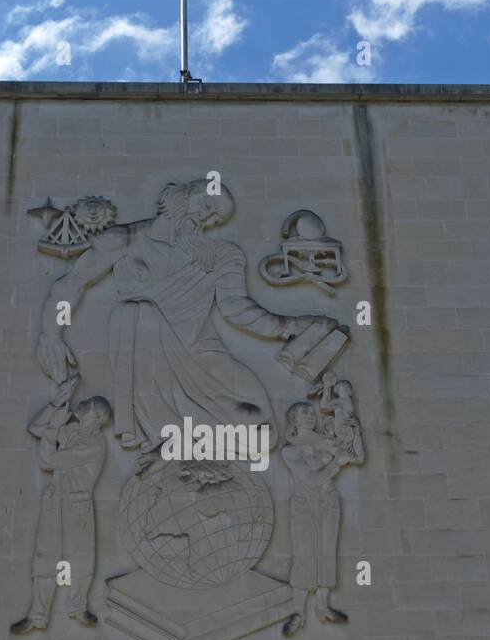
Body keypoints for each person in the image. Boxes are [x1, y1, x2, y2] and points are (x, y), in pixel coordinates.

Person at [35, 178, 337, 451]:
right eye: (205, 205)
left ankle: (195, 446)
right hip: (145, 350)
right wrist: (51, 334)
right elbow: (72, 283)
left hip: (200, 348)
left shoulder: (222, 255)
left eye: (214, 216)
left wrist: (295, 325)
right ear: (181, 197)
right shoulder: (124, 240)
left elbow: (238, 309)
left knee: (259, 427)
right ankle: (163, 439)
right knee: (135, 312)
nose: (205, 217)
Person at [10, 379, 111, 634]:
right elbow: (36, 428)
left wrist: (49, 434)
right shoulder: (69, 432)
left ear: (96, 416)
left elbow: (49, 458)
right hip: (54, 502)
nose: (82, 403)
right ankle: (38, 615)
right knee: (45, 557)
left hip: (77, 505)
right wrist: (56, 404)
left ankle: (78, 607)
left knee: (80, 558)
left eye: (87, 404)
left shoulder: (95, 443)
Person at [280, 400, 349, 637]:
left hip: (328, 503)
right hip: (303, 506)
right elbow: (310, 479)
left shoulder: (328, 441)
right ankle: (298, 612)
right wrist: (335, 462)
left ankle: (323, 607)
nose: (310, 416)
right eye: (303, 413)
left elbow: (355, 455)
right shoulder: (290, 450)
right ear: (294, 420)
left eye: (311, 412)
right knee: (305, 554)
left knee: (327, 551)